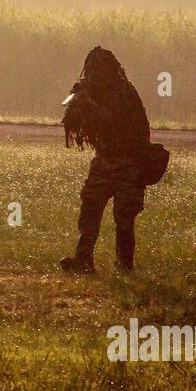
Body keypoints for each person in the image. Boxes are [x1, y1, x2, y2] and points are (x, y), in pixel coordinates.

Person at [59, 46, 151, 274]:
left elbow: (113, 122)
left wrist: (88, 102)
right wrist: (77, 100)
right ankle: (83, 260)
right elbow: (74, 122)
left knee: (124, 217)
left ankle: (124, 266)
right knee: (90, 210)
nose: (92, 74)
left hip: (130, 163)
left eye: (96, 69)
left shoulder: (124, 93)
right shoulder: (96, 90)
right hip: (106, 160)